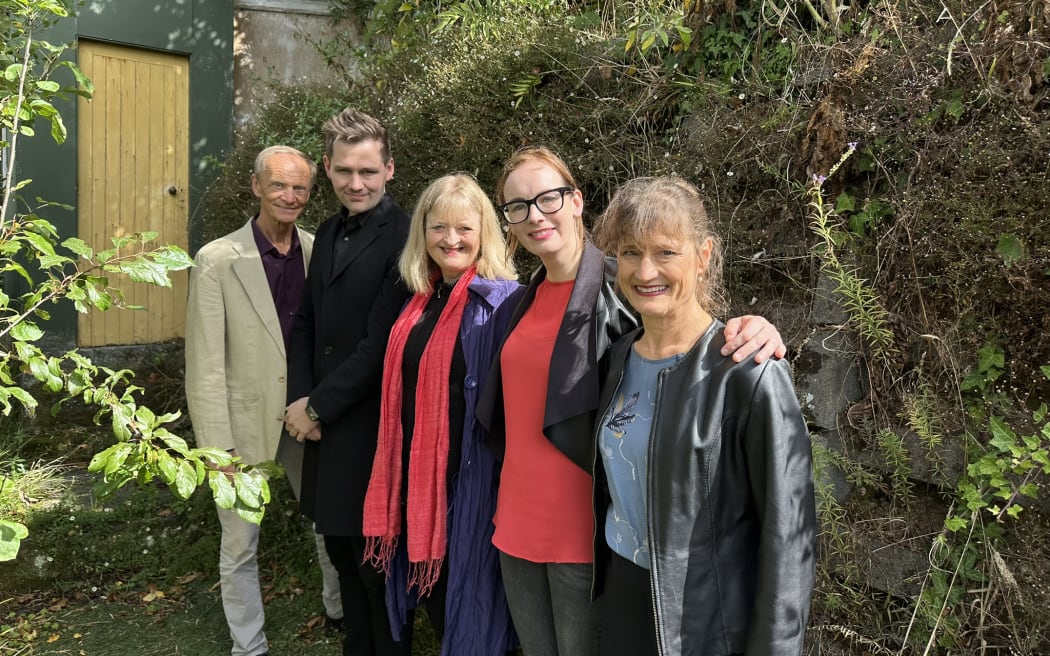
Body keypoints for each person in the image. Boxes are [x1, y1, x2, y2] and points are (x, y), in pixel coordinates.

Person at [475, 146, 788, 656]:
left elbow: (683, 332)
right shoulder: (522, 299)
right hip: (523, 525)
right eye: (518, 205)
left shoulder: (617, 291)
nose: (534, 215)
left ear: (576, 201)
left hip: (587, 535)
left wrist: (755, 326)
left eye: (548, 198)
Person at [591, 176, 816, 656]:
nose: (645, 270)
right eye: (630, 252)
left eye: (666, 252)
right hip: (622, 600)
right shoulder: (618, 357)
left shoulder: (748, 373)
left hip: (704, 623)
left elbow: (789, 539)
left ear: (704, 254)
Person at [185, 145, 343, 656]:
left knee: (329, 522)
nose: (289, 196)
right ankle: (248, 644)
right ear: (256, 187)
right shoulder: (217, 260)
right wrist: (215, 447)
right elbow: (205, 364)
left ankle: (337, 608)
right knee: (239, 544)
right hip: (242, 425)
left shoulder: (322, 251)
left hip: (308, 417)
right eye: (278, 185)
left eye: (300, 187)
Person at [361, 174, 520, 655]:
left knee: (476, 607)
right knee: (440, 604)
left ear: (484, 232)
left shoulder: (503, 303)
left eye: (464, 228)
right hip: (418, 483)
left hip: (472, 488)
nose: (451, 239)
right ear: (422, 233)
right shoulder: (418, 302)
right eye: (439, 227)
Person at [283, 108, 412, 656]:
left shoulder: (406, 233)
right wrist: (298, 398)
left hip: (370, 424)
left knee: (373, 563)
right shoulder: (330, 230)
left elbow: (383, 343)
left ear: (388, 170)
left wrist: (318, 409)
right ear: (328, 171)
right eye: (342, 171)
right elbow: (307, 321)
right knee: (338, 549)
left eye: (366, 171)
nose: (354, 183)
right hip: (324, 422)